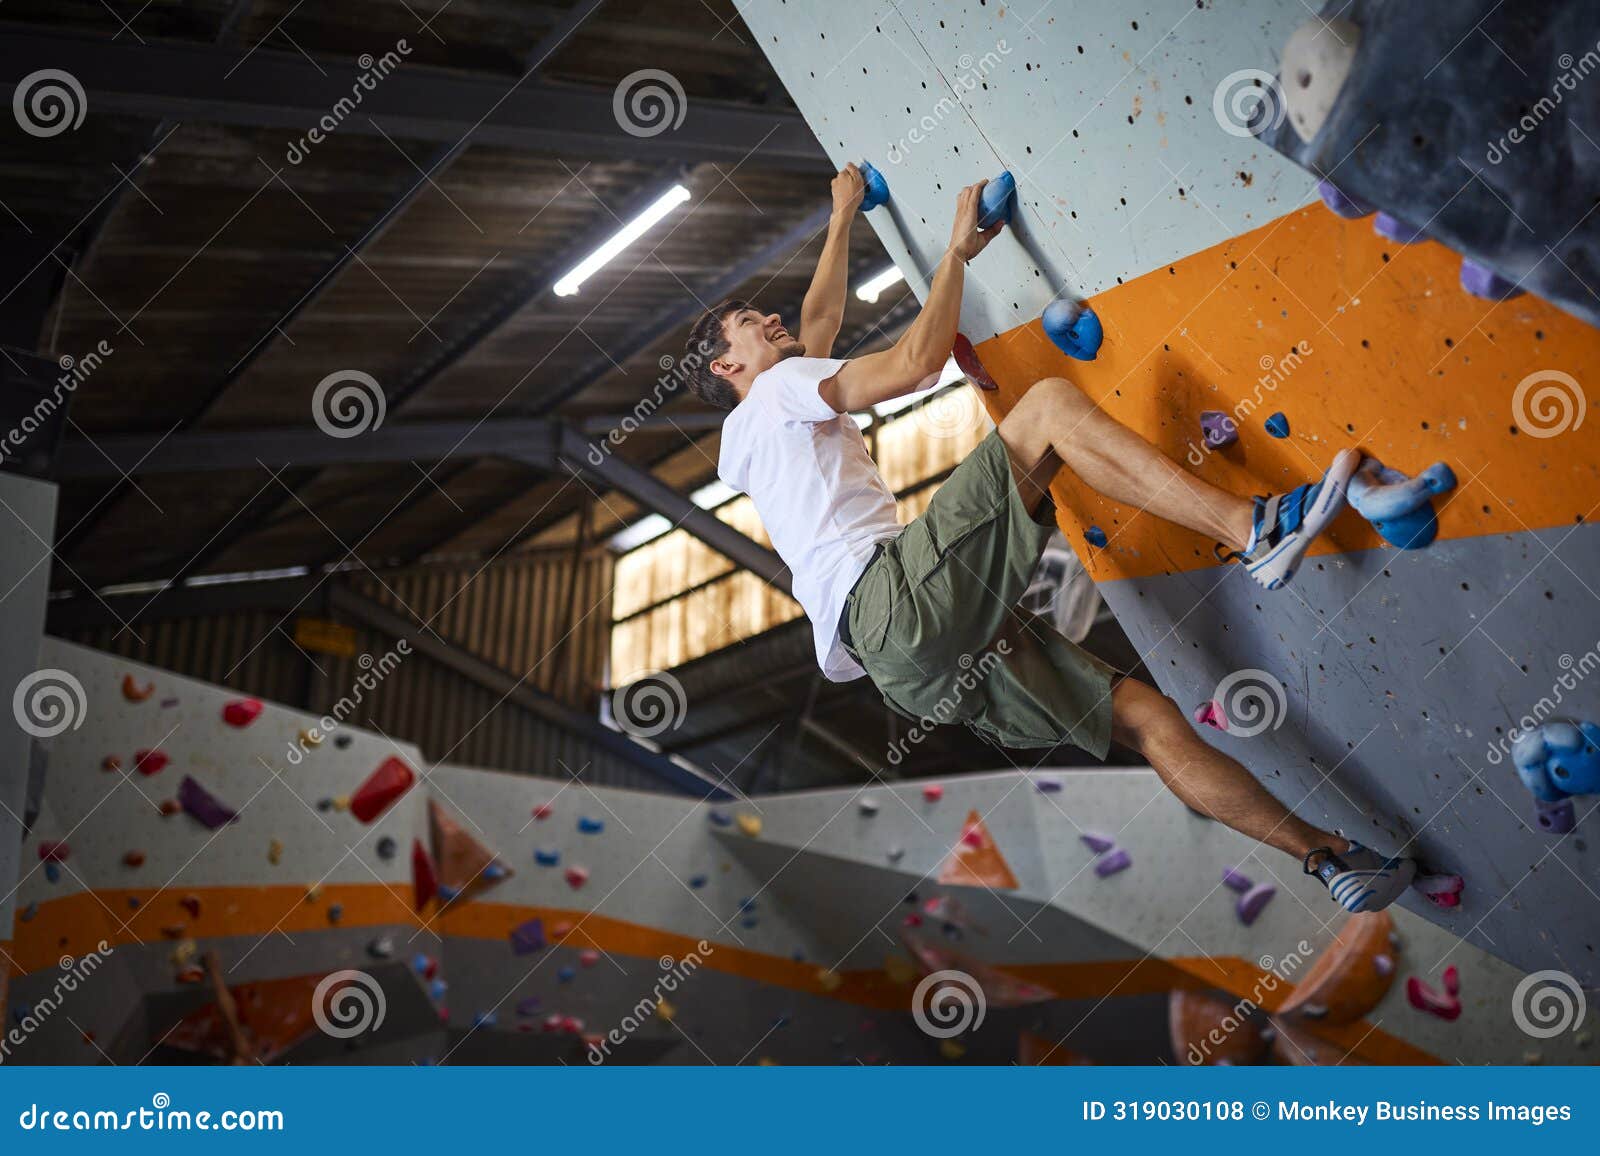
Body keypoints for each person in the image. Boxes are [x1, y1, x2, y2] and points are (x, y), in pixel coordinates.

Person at [683, 165, 1416, 913]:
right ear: (725, 364)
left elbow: (817, 320)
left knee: (1144, 720)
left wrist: (842, 215)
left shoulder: (753, 433)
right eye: (749, 320)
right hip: (894, 601)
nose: (770, 317)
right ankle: (1250, 528)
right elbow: (915, 366)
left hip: (906, 674)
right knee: (1044, 411)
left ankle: (1329, 860)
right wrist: (957, 255)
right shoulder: (775, 392)